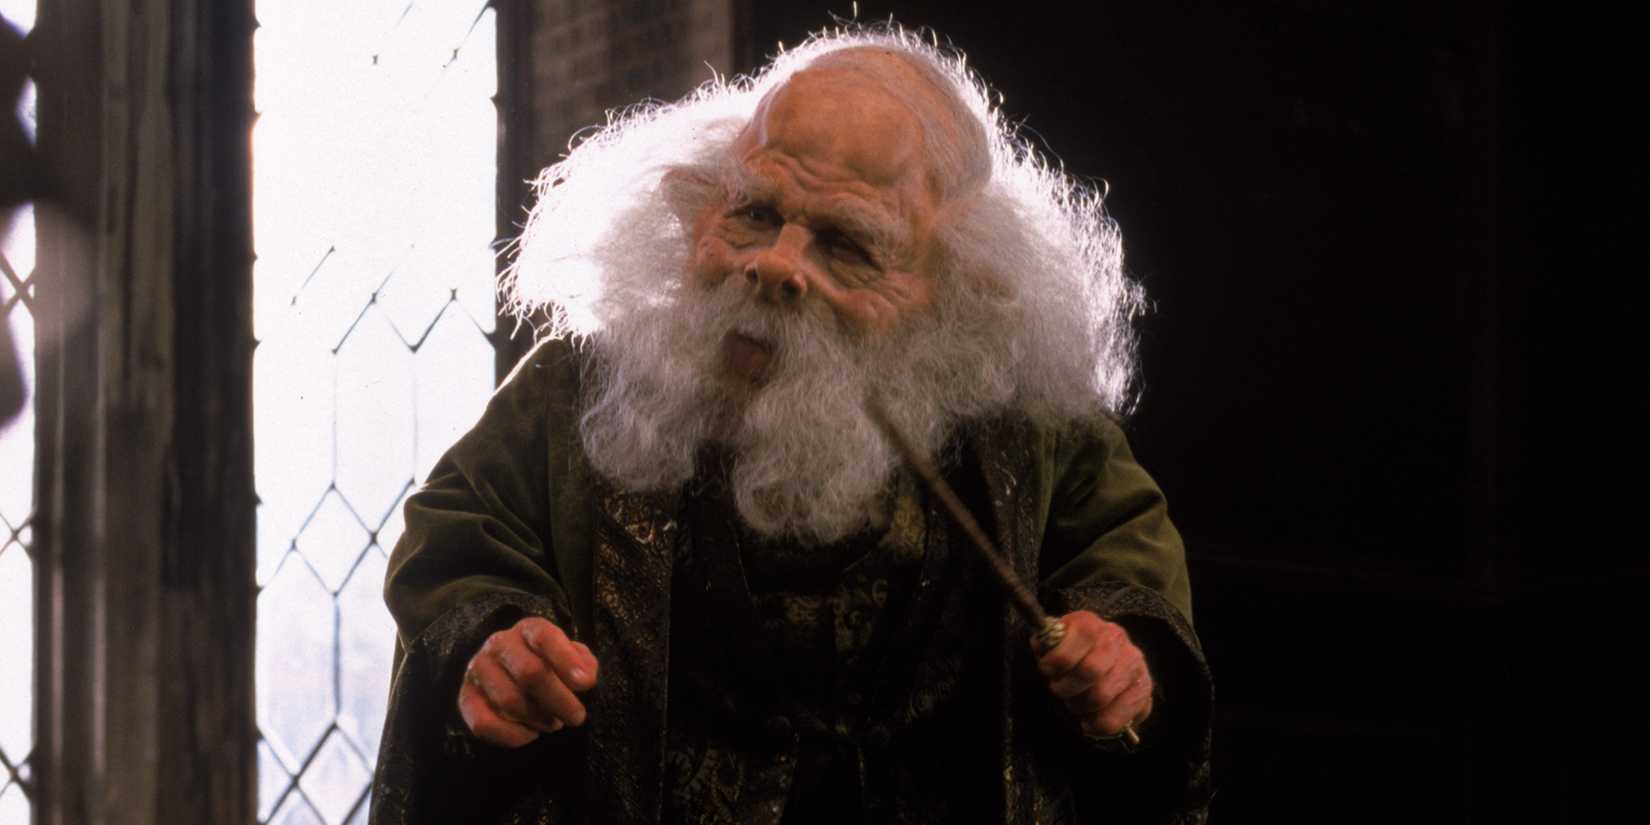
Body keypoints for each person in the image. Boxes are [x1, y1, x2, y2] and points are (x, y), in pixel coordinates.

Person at [371, 26, 1212, 825]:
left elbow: (1124, 565)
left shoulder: (1030, 425)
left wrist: (1125, 662)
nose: (775, 265)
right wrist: (495, 647)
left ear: (958, 291)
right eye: (755, 212)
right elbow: (460, 537)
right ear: (700, 204)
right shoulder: (584, 385)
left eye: (846, 244)